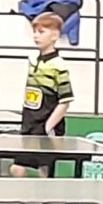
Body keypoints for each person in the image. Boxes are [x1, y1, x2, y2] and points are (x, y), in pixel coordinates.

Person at [13, 12, 74, 177]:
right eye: (35, 32)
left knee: (44, 170)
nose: (36, 36)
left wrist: (48, 127)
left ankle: (44, 201)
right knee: (17, 168)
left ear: (54, 35)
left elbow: (65, 101)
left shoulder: (59, 66)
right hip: (29, 124)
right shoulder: (33, 60)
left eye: (41, 32)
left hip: (47, 127)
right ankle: (24, 201)